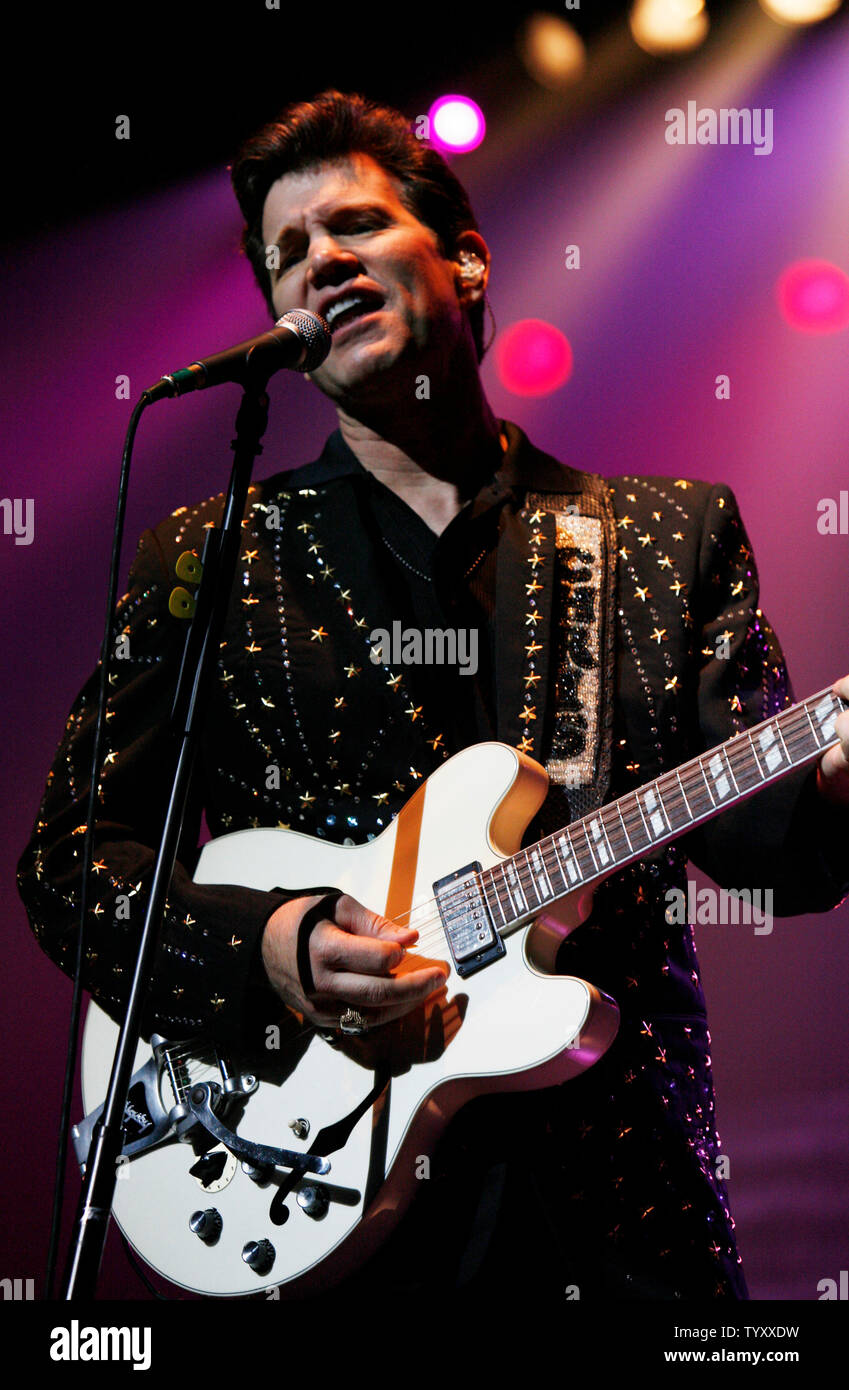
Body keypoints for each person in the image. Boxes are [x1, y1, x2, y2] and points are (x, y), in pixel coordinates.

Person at [18, 90, 849, 1304]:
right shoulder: (214, 559)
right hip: (316, 1202)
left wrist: (829, 781)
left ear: (463, 260)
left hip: (618, 1207)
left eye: (355, 225)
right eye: (287, 256)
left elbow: (775, 853)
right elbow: (73, 859)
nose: (321, 264)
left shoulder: (665, 533)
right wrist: (275, 945)